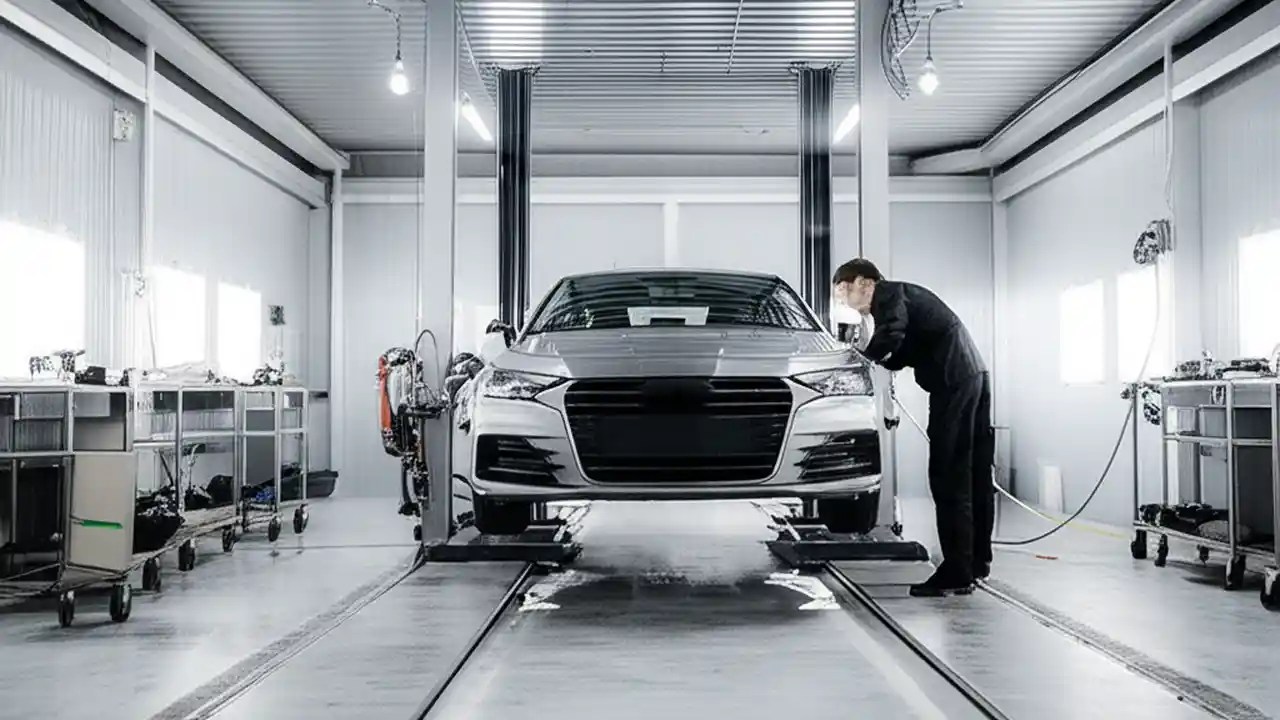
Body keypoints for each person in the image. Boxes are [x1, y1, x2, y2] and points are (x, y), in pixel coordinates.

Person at [832, 258, 994, 597]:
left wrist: (857, 360)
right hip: (972, 376)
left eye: (843, 291)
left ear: (864, 283)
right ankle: (976, 563)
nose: (843, 302)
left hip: (954, 382)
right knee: (974, 475)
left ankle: (956, 571)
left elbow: (892, 335)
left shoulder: (889, 295)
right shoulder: (903, 299)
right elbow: (902, 351)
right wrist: (873, 355)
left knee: (948, 475)